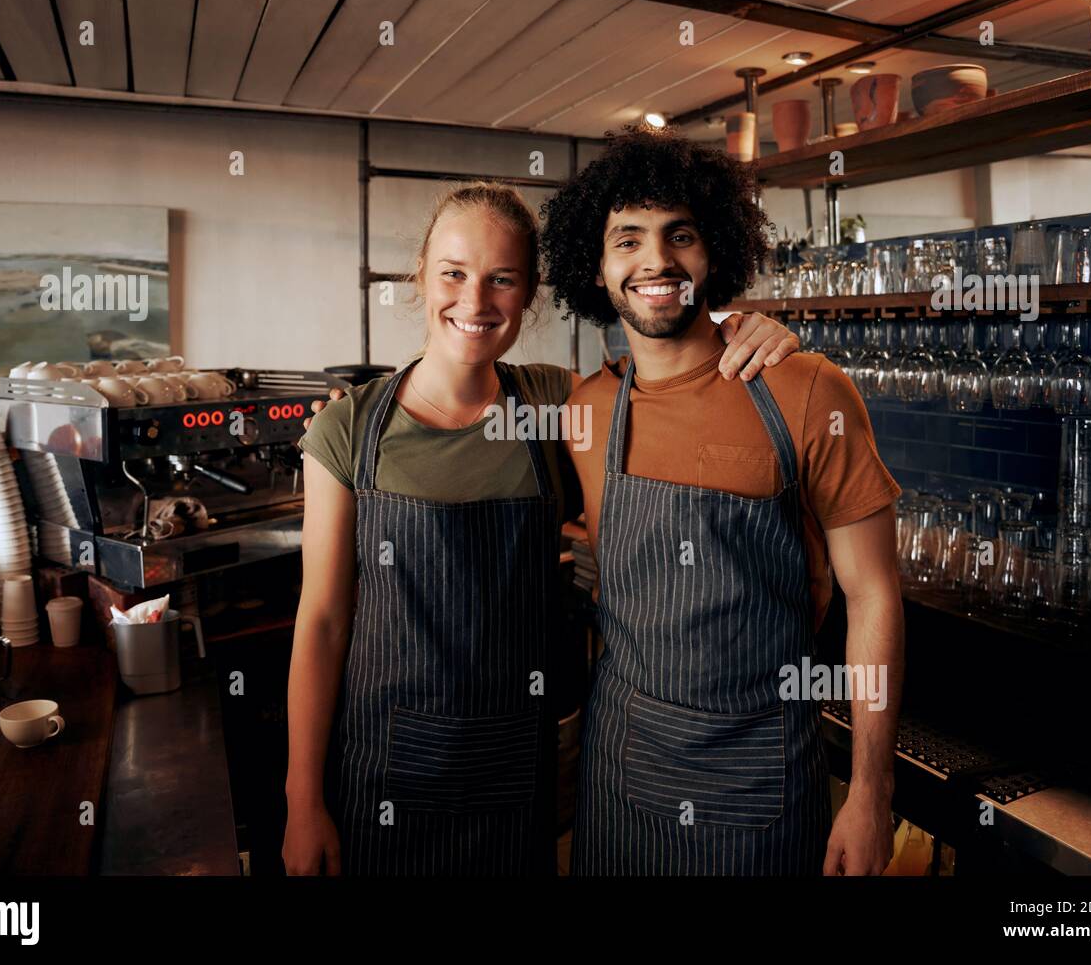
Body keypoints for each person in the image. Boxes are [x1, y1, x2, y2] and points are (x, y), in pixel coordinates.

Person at [283, 181, 800, 876]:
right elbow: (320, 624)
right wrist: (301, 800)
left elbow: (668, 367)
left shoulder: (556, 403)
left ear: (528, 295)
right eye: (455, 274)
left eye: (502, 279)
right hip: (384, 774)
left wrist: (746, 323)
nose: (474, 301)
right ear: (420, 277)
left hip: (514, 775)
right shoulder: (348, 429)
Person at [539, 125, 905, 876]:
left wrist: (871, 790)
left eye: (682, 235)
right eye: (627, 239)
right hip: (621, 771)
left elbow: (874, 597)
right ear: (597, 265)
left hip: (759, 778)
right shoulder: (587, 410)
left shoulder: (804, 390)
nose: (656, 261)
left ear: (716, 253)